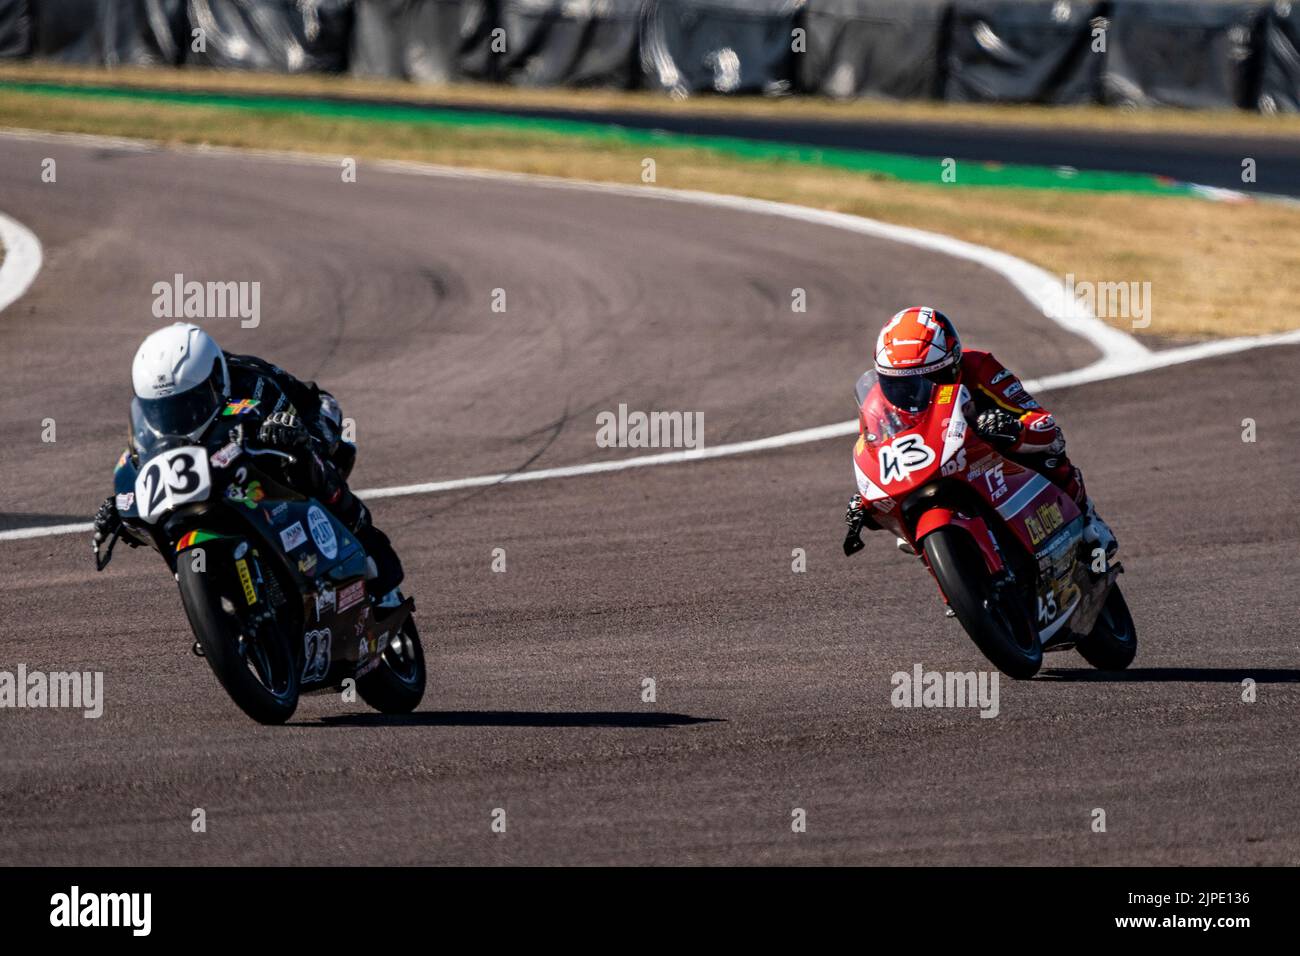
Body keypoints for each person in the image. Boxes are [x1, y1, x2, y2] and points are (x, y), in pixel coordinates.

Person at [91, 322, 403, 603]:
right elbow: (148, 459)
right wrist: (124, 506)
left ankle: (367, 542)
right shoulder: (153, 414)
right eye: (166, 409)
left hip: (313, 419)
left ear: (215, 380)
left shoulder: (253, 382)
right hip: (219, 466)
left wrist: (286, 430)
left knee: (306, 459)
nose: (178, 415)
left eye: (189, 403)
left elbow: (307, 411)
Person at [845, 306, 1117, 560]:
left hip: (987, 453)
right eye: (900, 384)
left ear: (953, 365)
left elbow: (1043, 423)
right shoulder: (875, 403)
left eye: (930, 378)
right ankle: (962, 584)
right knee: (904, 538)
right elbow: (873, 448)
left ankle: (1087, 516)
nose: (914, 391)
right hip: (928, 469)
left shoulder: (979, 367)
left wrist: (1014, 430)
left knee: (1051, 448)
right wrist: (866, 501)